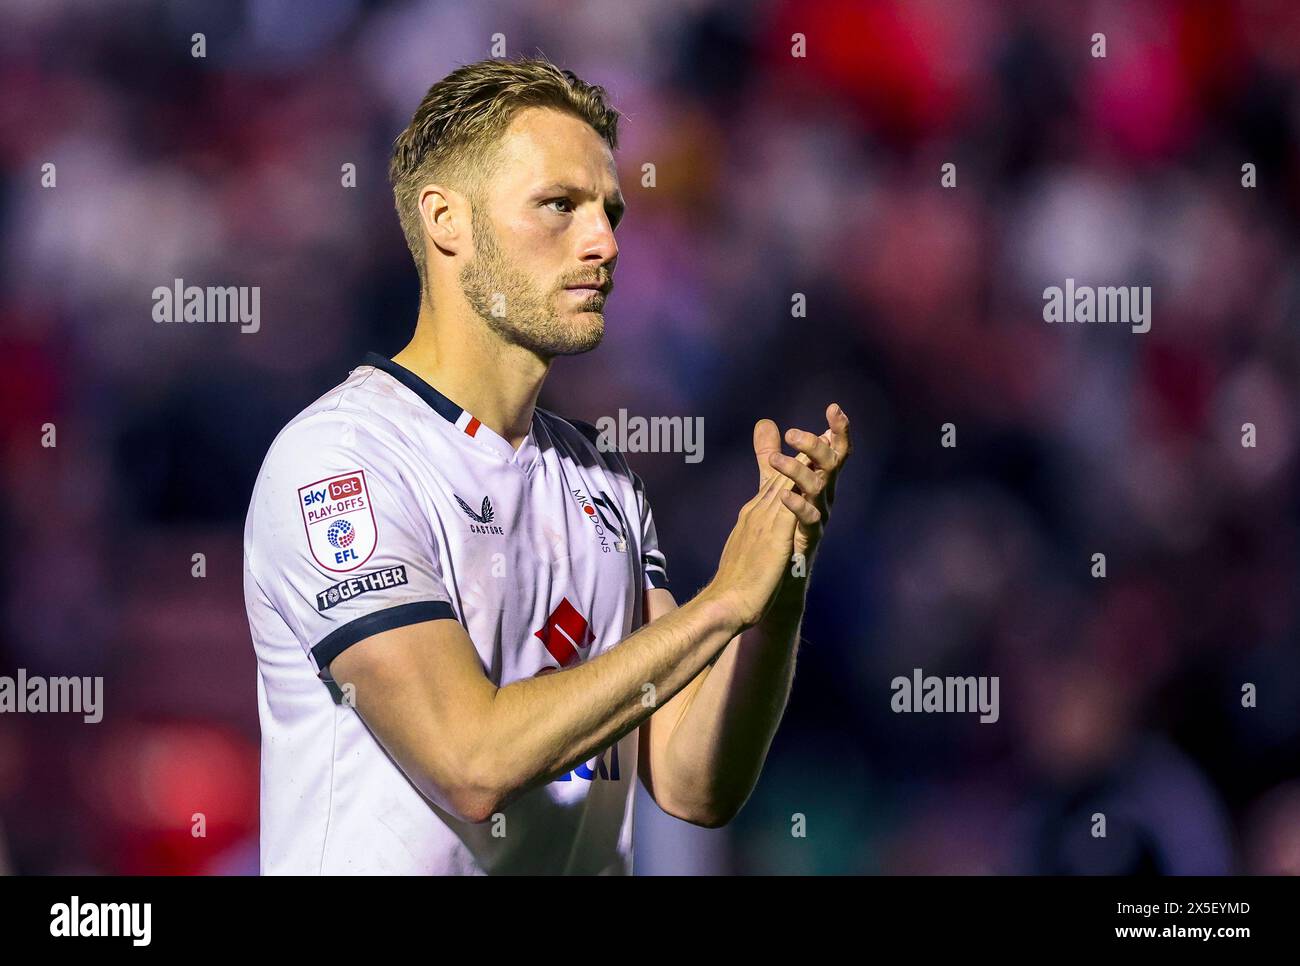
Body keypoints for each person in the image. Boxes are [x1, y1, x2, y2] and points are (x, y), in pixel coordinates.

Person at [242, 55, 850, 874]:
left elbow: (690, 781)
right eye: (558, 206)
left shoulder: (605, 485)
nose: (602, 242)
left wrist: (773, 599)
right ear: (446, 220)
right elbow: (471, 762)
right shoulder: (341, 462)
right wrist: (719, 605)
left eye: (610, 212)